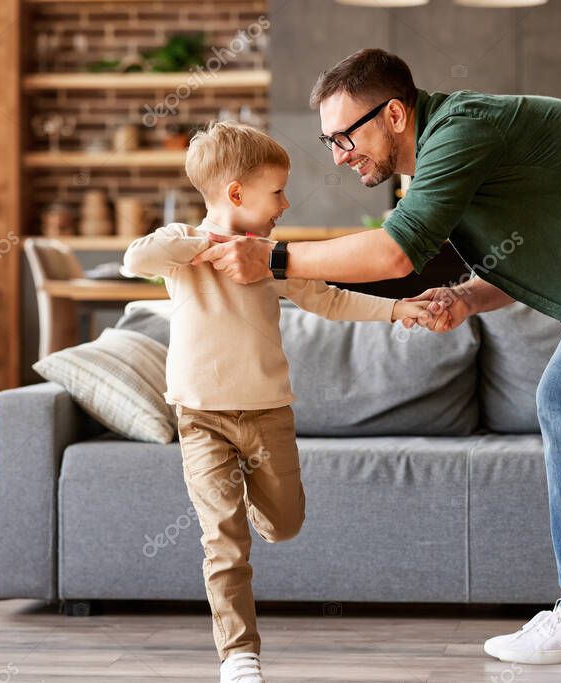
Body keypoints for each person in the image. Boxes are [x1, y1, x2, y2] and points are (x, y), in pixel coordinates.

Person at [192, 49, 561, 667]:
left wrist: (273, 258)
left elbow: (397, 253)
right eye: (329, 141)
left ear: (395, 114)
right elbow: (541, 241)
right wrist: (467, 296)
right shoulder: (453, 142)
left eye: (345, 136)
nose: (340, 156)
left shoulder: (460, 132)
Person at [123, 121, 429, 683]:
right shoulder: (180, 252)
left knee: (285, 523)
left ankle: (254, 508)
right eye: (278, 192)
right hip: (200, 418)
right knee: (224, 542)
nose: (285, 203)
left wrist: (395, 309)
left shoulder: (272, 259)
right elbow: (135, 259)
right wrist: (202, 244)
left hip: (267, 414)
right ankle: (239, 656)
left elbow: (330, 301)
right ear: (236, 193)